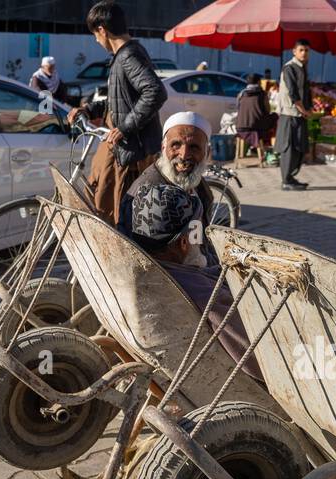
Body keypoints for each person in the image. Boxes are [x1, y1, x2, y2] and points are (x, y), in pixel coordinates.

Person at [120, 183, 259, 380]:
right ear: (184, 243)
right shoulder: (205, 296)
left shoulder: (149, 273)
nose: (199, 237)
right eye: (196, 230)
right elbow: (256, 358)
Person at [67, 1, 168, 225]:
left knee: (125, 217)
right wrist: (88, 109)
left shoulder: (128, 56)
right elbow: (120, 101)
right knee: (104, 200)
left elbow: (156, 92)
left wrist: (124, 128)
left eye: (95, 34)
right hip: (123, 147)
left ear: (102, 29)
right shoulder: (124, 55)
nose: (96, 40)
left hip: (134, 152)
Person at [120, 111, 217, 267]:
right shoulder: (147, 191)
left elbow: (200, 239)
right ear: (163, 147)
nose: (184, 155)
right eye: (176, 145)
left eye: (194, 147)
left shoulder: (199, 185)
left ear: (206, 153)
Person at [275, 39, 313, 191]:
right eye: (301, 50)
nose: (304, 53)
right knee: (289, 148)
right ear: (294, 51)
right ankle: (286, 180)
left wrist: (308, 108)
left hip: (300, 114)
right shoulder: (289, 68)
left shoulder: (302, 68)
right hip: (290, 114)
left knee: (299, 148)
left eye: (307, 50)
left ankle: (291, 177)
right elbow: (293, 92)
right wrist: (303, 110)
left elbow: (306, 92)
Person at [235, 72, 274, 156]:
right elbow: (267, 110)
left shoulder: (241, 94)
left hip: (240, 127)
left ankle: (253, 148)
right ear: (258, 82)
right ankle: (271, 149)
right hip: (258, 127)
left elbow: (238, 109)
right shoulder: (262, 94)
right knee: (276, 117)